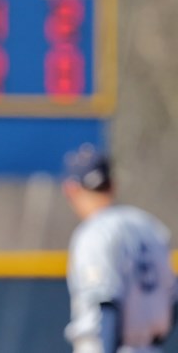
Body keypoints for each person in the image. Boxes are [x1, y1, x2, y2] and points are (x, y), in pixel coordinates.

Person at [61, 143, 176, 353]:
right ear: (112, 185)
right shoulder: (150, 227)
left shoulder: (94, 233)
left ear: (71, 189)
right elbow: (172, 301)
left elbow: (106, 305)